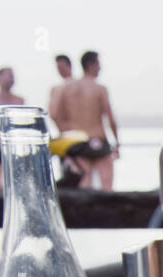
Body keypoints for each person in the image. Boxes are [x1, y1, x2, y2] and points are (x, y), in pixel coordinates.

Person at [57, 50, 120, 190]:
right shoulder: (100, 89)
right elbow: (110, 119)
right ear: (91, 65)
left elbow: (55, 114)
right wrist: (117, 143)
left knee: (85, 184)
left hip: (77, 141)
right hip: (98, 139)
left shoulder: (67, 88)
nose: (100, 68)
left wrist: (65, 133)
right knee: (107, 186)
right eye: (99, 64)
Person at [48, 54, 73, 131]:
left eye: (62, 67)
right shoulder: (56, 89)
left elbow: (53, 113)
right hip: (67, 131)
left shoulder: (58, 89)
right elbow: (53, 113)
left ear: (69, 66)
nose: (60, 70)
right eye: (58, 68)